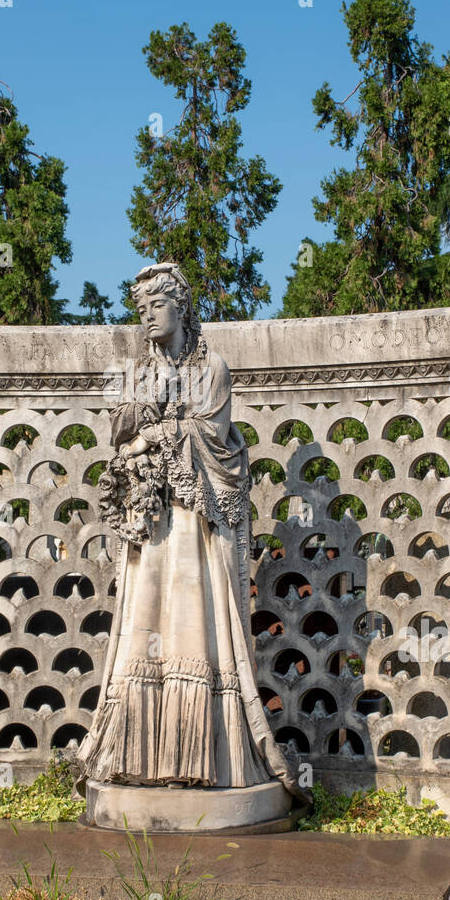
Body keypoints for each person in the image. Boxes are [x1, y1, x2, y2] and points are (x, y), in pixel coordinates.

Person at [79, 262, 300, 795]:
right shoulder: (137, 371)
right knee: (146, 626)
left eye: (156, 305)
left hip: (198, 523)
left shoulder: (214, 368)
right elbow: (120, 425)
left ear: (180, 306)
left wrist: (152, 431)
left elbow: (212, 432)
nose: (147, 316)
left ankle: (205, 757)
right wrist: (145, 426)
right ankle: (143, 756)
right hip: (153, 522)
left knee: (196, 630)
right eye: (141, 309)